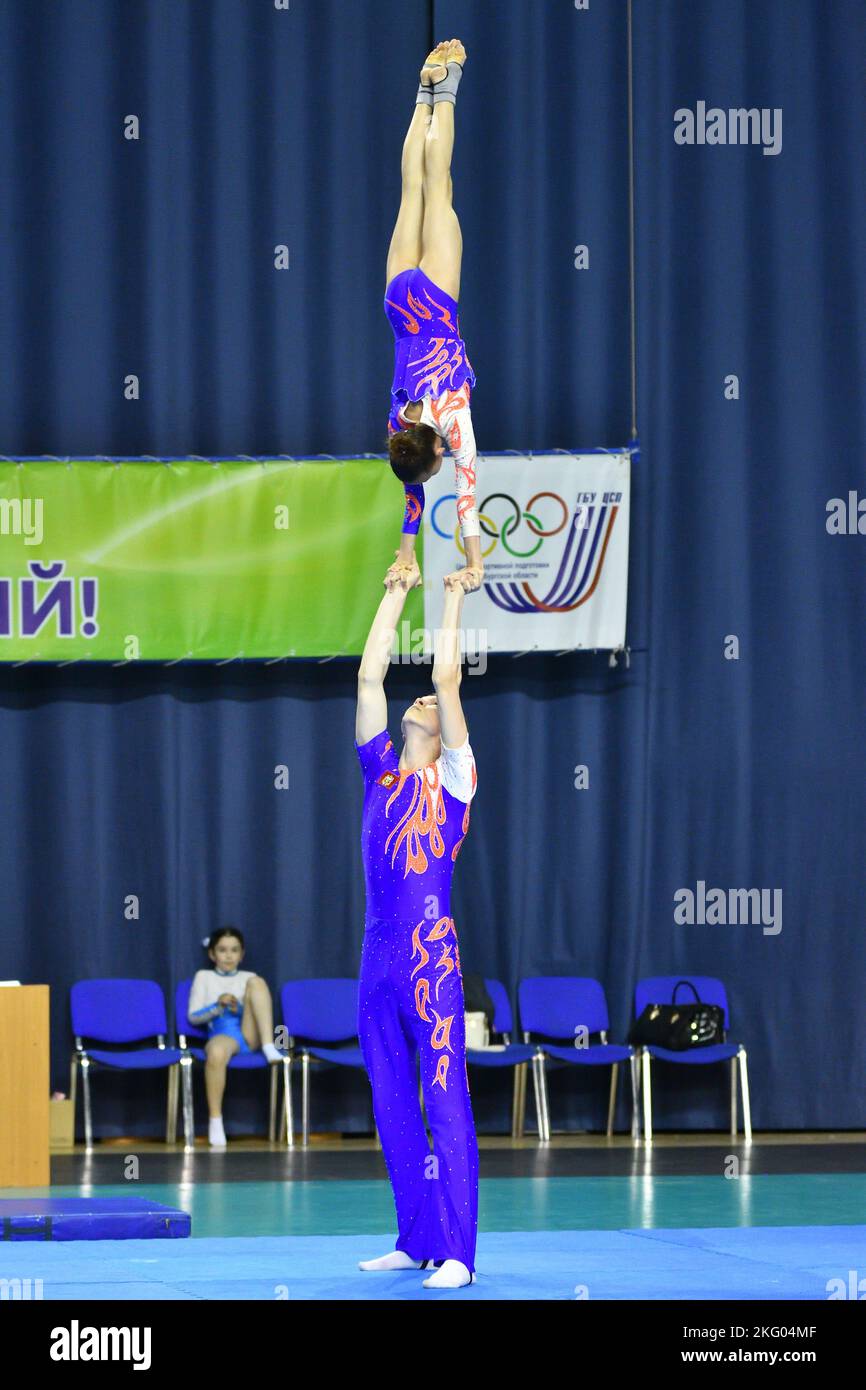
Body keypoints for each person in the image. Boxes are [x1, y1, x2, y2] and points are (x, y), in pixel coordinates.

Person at [354, 555, 479, 1290]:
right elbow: (370, 678)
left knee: (444, 1097)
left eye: (431, 710)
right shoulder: (380, 772)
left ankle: (459, 1252)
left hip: (430, 960)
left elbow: (445, 680)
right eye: (423, 707)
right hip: (376, 956)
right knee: (392, 1102)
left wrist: (454, 600)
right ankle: (416, 1236)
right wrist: (395, 593)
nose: (423, 705)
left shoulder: (454, 783)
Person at [384, 39, 484, 598]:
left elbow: (465, 497)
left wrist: (476, 565)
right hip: (398, 304)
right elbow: (411, 492)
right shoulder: (400, 425)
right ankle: (422, 94)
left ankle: (446, 88)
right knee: (410, 194)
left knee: (439, 187)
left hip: (435, 304)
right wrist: (405, 556)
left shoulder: (452, 423)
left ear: (437, 448)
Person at [188, 927, 282, 1148]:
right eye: (222, 950)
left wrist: (238, 1006)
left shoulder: (249, 977)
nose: (228, 956)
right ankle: (215, 1120)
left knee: (257, 983)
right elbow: (193, 1017)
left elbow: (256, 1007)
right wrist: (218, 1005)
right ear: (212, 954)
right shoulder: (204, 977)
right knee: (217, 1052)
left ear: (242, 954)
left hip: (250, 1032)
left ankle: (269, 1045)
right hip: (224, 1033)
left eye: (234, 950)